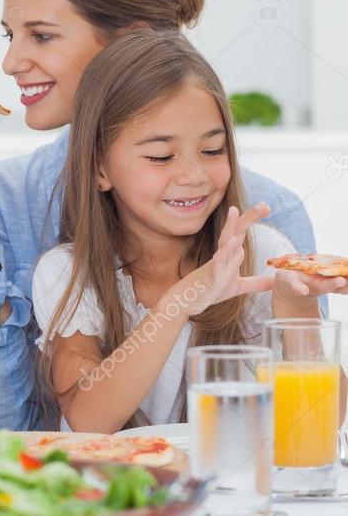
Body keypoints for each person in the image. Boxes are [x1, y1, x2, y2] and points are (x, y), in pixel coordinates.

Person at [0, 0, 318, 431]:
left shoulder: (266, 220)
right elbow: (10, 425)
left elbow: (303, 421)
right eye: (12, 35)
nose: (11, 62)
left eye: (42, 35)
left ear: (130, 42)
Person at [31, 30, 346, 431]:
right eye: (161, 156)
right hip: (122, 492)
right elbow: (89, 420)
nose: (194, 175)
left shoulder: (261, 253)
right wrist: (180, 302)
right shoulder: (67, 272)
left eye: (212, 150)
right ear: (99, 168)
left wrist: (296, 310)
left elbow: (317, 424)